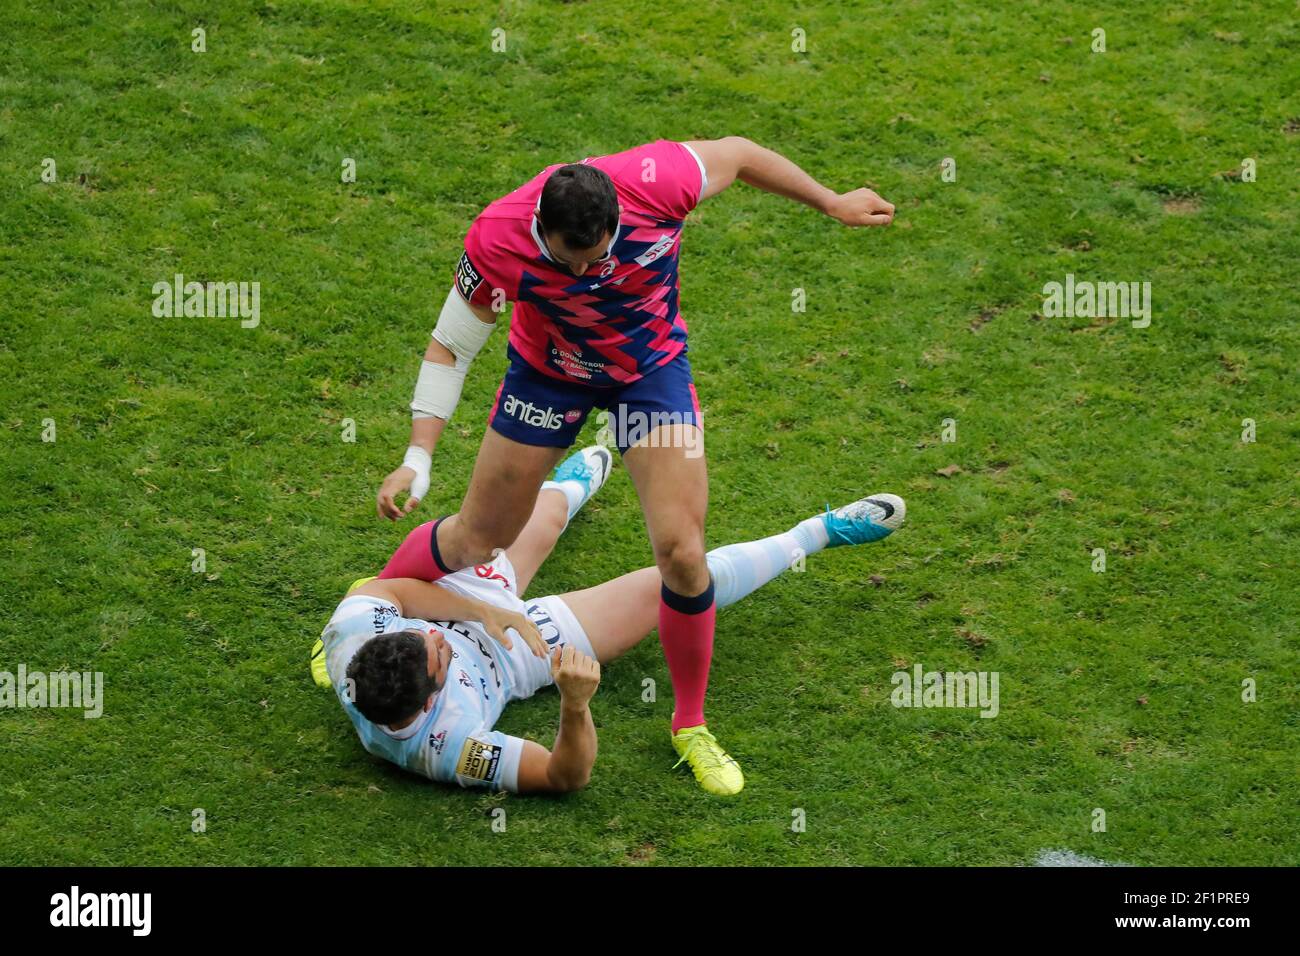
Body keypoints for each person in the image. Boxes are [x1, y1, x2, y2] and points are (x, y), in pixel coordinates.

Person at [373, 138, 897, 794]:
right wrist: (418, 457)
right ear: (543, 233)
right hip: (547, 376)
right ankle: (371, 606)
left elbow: (737, 153)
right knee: (479, 538)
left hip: (647, 376)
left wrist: (830, 200)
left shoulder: (658, 181)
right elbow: (451, 344)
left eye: (602, 257)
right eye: (573, 264)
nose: (591, 274)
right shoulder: (498, 236)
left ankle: (690, 724)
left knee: (682, 552)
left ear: (617, 219)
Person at [330, 446, 904, 794]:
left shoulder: (355, 641)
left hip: (467, 595)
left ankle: (585, 474)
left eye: (417, 633)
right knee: (679, 582)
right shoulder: (449, 748)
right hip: (518, 657)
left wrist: (478, 608)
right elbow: (563, 777)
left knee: (541, 516)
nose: (434, 639)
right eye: (439, 653)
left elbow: (391, 589)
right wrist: (574, 703)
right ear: (432, 699)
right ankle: (819, 532)